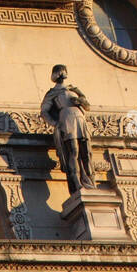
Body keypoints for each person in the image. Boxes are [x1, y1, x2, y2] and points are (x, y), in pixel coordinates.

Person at [40, 64, 96, 194]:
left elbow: (87, 106)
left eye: (63, 72)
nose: (61, 74)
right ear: (54, 75)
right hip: (66, 119)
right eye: (59, 72)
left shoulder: (74, 89)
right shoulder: (52, 93)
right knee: (74, 151)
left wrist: (80, 101)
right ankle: (76, 181)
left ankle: (89, 181)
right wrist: (54, 123)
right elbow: (44, 111)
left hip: (80, 119)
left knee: (86, 152)